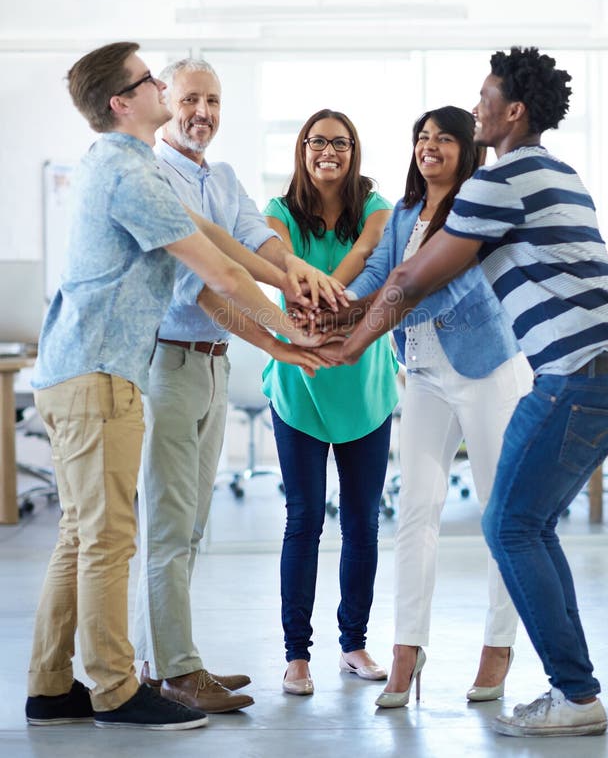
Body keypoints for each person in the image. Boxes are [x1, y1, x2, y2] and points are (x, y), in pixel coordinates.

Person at [325, 47, 608, 737]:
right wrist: (346, 315)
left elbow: (413, 280)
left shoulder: (496, 182)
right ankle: (575, 690)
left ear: (514, 110)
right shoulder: (560, 174)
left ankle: (572, 694)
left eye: (484, 97)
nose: (475, 108)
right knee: (527, 522)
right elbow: (394, 274)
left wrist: (350, 347)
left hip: (575, 371)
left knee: (507, 523)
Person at [25, 42, 330, 732]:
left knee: (80, 535)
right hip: (100, 373)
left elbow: (222, 239)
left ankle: (49, 686)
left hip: (87, 370)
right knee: (110, 539)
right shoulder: (129, 173)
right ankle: (117, 689)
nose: (163, 90)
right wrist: (292, 335)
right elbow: (218, 274)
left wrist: (291, 279)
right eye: (151, 81)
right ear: (122, 102)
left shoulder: (126, 165)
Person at [132, 58, 342, 715]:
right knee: (169, 526)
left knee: (191, 526)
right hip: (168, 364)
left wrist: (300, 274)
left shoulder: (219, 178)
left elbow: (258, 242)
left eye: (214, 101)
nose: (203, 113)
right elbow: (209, 286)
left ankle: (160, 662)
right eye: (190, 99)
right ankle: (175, 669)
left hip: (212, 365)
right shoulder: (153, 177)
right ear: (164, 101)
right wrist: (285, 337)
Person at [345, 106, 533, 708]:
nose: (429, 146)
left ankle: (498, 644)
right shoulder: (404, 213)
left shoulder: (480, 209)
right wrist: (340, 305)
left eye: (444, 138)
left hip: (486, 372)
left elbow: (441, 287)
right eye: (422, 137)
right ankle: (407, 649)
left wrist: (368, 325)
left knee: (499, 515)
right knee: (414, 512)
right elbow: (382, 272)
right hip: (423, 374)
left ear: (466, 149)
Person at [262, 108, 399, 695]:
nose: (328, 152)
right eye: (317, 141)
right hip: (300, 380)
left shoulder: (376, 205)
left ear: (353, 150)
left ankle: (354, 644)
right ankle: (297, 655)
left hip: (364, 380)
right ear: (302, 149)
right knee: (304, 520)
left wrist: (324, 298)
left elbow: (370, 252)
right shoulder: (278, 211)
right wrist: (326, 305)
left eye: (340, 143)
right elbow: (279, 271)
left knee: (363, 522)